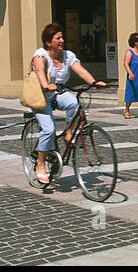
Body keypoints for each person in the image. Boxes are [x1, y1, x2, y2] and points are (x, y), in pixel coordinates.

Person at [29, 22, 105, 185]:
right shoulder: (40, 54)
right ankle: (41, 164)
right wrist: (45, 85)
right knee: (49, 130)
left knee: (74, 103)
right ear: (49, 42)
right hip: (41, 95)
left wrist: (94, 82)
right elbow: (41, 71)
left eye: (62, 37)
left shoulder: (67, 56)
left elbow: (81, 70)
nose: (62, 40)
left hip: (59, 92)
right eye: (58, 38)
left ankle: (69, 133)